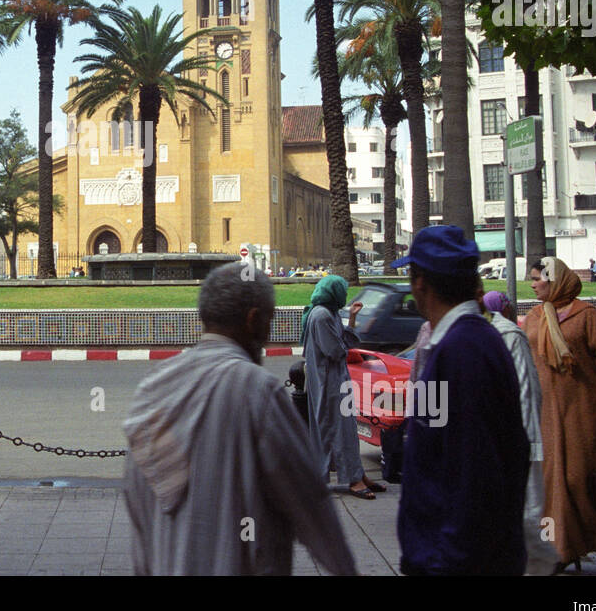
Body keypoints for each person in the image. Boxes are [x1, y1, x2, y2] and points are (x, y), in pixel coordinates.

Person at [122, 262, 357, 575]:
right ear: (253, 319)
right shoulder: (257, 391)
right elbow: (312, 506)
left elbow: (139, 520)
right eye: (268, 321)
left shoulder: (150, 392)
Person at [392, 226, 529, 576]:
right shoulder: (465, 342)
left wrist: (446, 562)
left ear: (420, 282)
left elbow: (475, 472)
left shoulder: (463, 350)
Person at [527, 256, 596, 573]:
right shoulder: (534, 318)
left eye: (537, 278)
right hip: (546, 413)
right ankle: (559, 550)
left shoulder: (587, 316)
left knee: (577, 480)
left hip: (581, 412)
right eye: (531, 279)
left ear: (555, 280)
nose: (533, 285)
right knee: (552, 483)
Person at [481, 289, 557, 576]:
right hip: (514, 438)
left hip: (501, 438)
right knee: (528, 504)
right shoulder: (507, 334)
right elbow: (527, 390)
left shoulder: (490, 334)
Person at [300, 275, 384, 499]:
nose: (345, 296)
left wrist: (352, 317)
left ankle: (357, 473)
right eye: (342, 291)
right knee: (336, 429)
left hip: (336, 380)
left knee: (347, 428)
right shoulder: (321, 316)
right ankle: (352, 479)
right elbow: (335, 351)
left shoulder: (331, 313)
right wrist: (344, 347)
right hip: (328, 384)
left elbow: (346, 341)